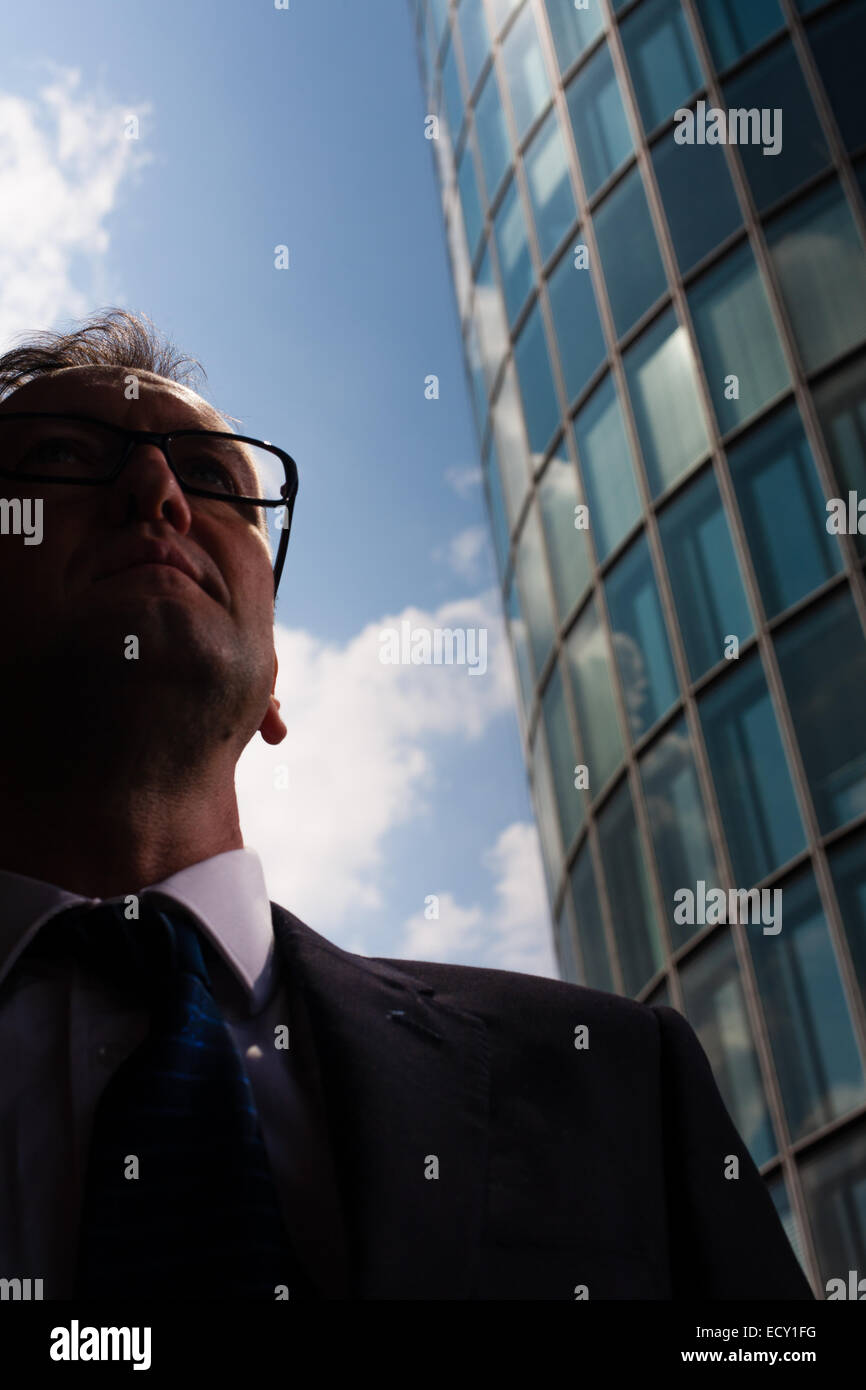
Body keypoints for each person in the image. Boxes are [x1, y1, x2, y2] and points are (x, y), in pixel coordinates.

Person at [0, 309, 814, 1301]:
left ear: (274, 688)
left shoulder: (611, 1080)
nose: (158, 493)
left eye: (213, 479)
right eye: (63, 455)